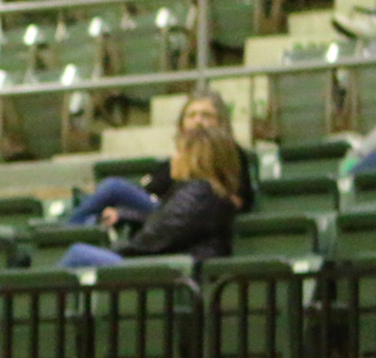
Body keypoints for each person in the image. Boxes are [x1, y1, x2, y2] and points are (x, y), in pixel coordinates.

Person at [58, 125, 241, 269]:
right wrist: (126, 216)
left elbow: (151, 241)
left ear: (196, 159)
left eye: (179, 152)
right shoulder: (202, 192)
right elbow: (167, 226)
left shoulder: (197, 193)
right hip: (172, 268)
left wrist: (111, 249)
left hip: (169, 274)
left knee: (79, 254)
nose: (173, 157)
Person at [66, 92, 254, 228]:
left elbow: (240, 201)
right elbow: (150, 190)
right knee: (98, 215)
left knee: (113, 187)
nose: (198, 121)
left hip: (189, 217)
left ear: (220, 121)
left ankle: (63, 231)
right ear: (182, 123)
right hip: (164, 212)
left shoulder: (232, 153)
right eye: (191, 115)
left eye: (206, 115)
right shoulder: (177, 158)